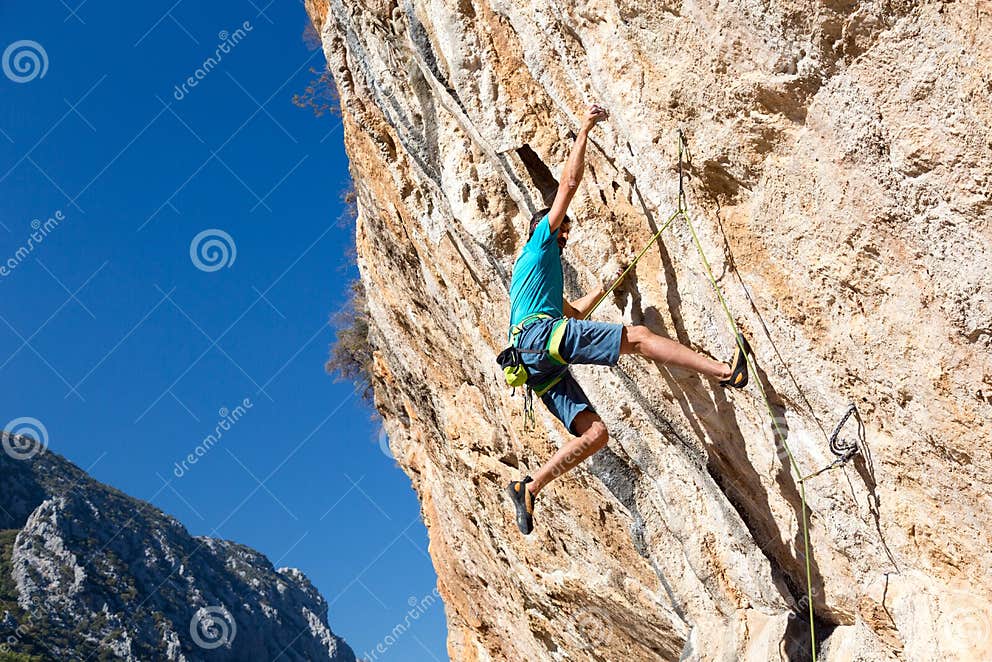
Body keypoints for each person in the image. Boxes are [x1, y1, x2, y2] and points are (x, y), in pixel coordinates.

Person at [505, 104, 752, 535]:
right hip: (540, 341)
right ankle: (724, 372)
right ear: (543, 230)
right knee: (636, 338)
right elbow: (569, 183)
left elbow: (574, 316)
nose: (565, 238)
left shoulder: (533, 278)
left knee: (596, 434)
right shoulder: (539, 243)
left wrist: (610, 283)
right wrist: (583, 129)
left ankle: (530, 487)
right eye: (562, 233)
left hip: (535, 362)